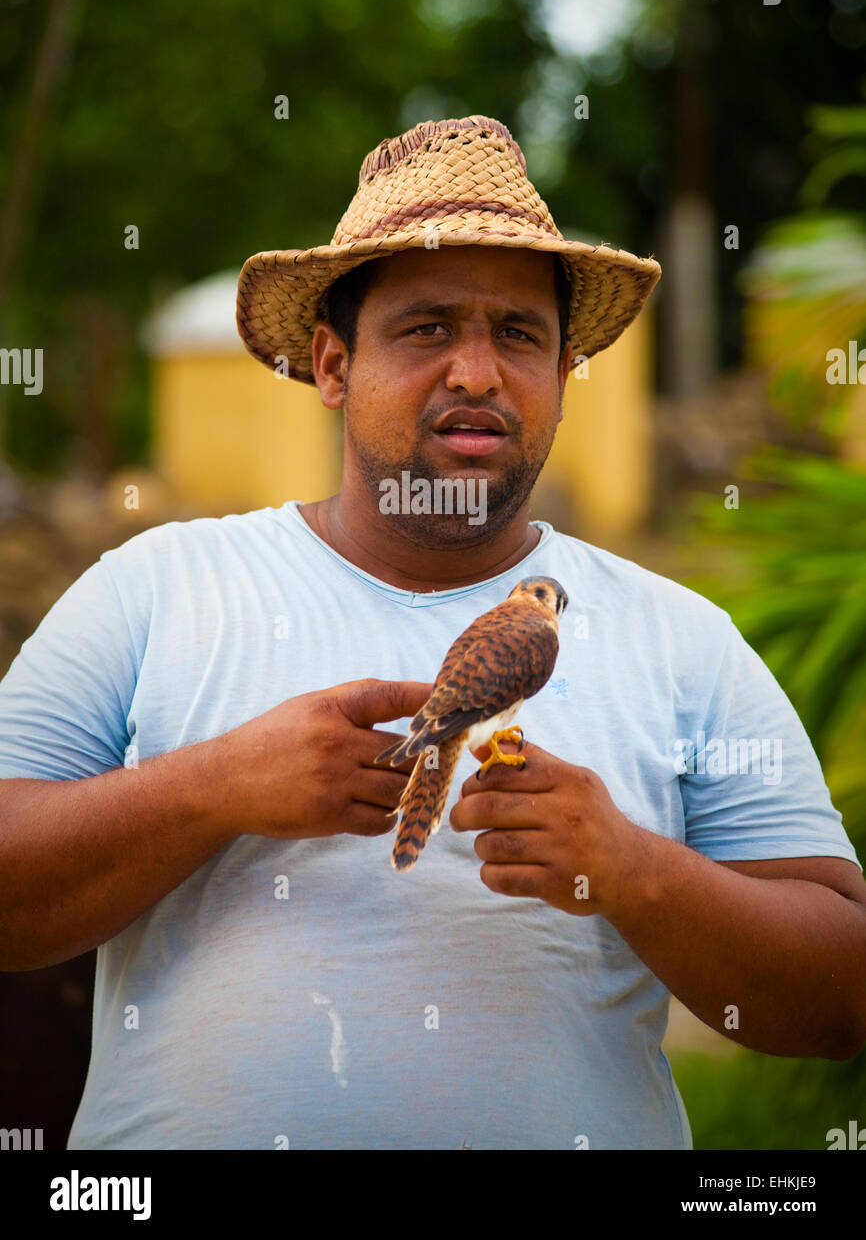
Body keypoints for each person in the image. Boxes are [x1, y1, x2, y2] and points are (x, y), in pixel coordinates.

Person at [0, 115, 863, 1151]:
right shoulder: (153, 589)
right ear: (330, 364)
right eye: (425, 328)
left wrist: (630, 868)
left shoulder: (682, 639)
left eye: (518, 334)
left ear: (558, 372)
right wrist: (217, 784)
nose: (475, 373)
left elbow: (837, 999)